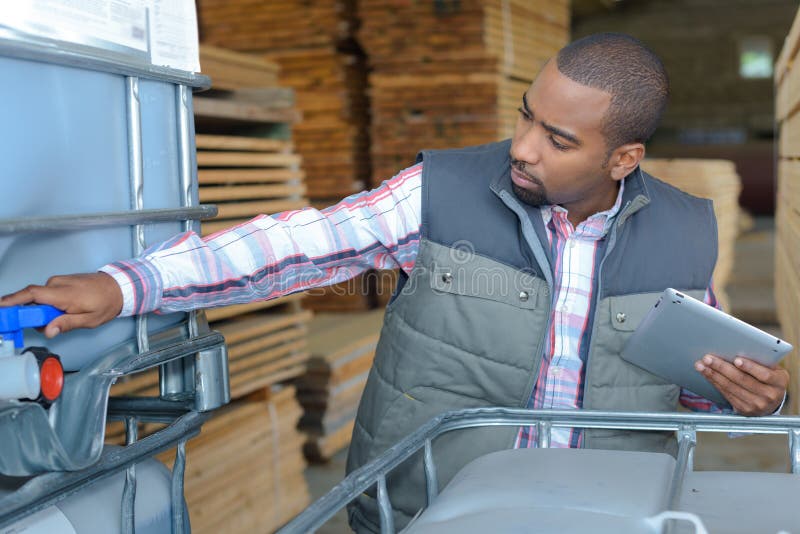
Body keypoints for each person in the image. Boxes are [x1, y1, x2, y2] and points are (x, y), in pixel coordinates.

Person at [1, 33, 788, 532]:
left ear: (624, 160)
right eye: (524, 117)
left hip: (607, 514)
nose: (522, 148)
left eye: (557, 139)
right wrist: (129, 285)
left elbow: (687, 377)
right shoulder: (443, 191)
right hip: (436, 511)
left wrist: (746, 394)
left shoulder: (686, 228)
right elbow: (301, 243)